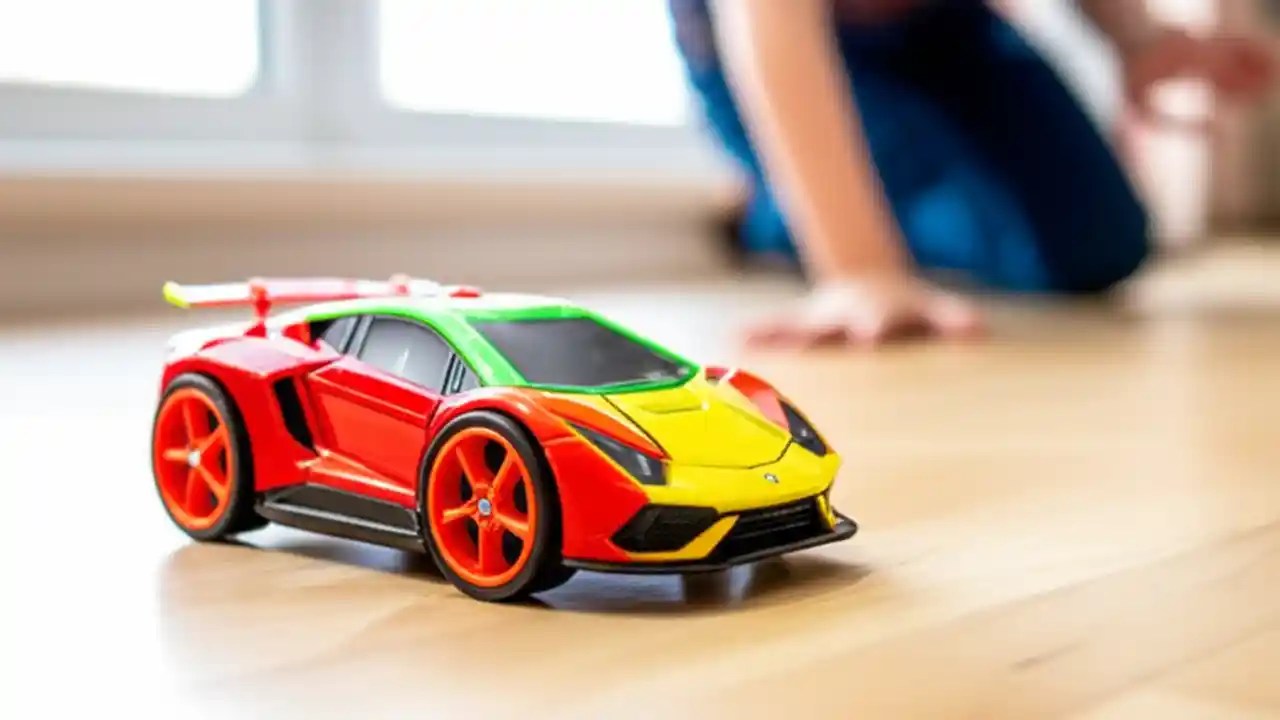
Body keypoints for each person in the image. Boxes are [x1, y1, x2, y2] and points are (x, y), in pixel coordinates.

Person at [668, 0, 1274, 346]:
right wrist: (860, 272)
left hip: (946, 26)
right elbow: (770, 24)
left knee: (1102, 246)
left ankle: (819, 210)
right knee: (907, 198)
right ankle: (776, 213)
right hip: (785, 46)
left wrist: (1139, 40)